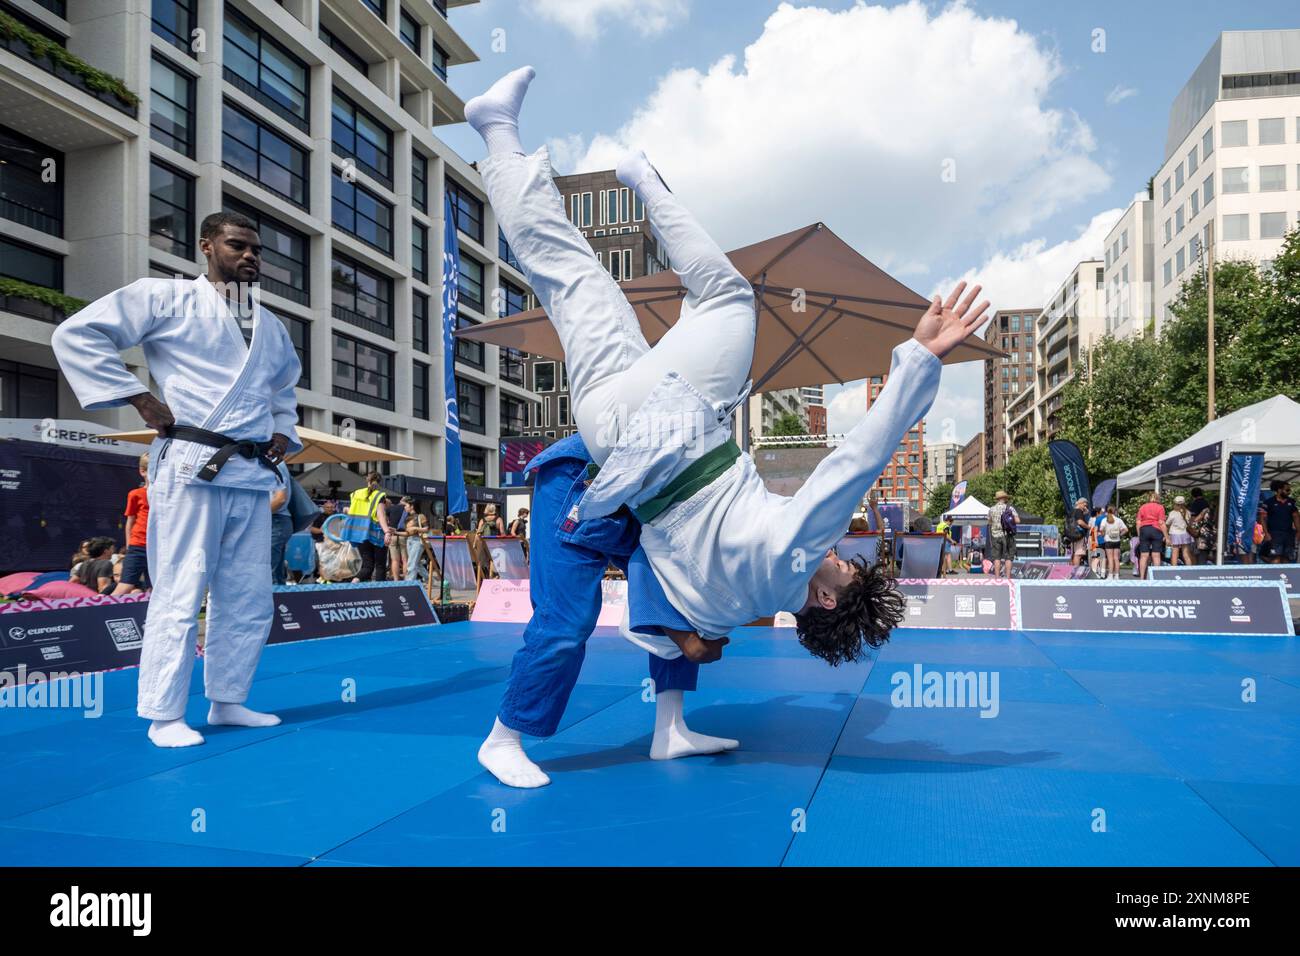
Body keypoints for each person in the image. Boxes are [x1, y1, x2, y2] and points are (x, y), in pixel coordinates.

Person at [465, 67, 989, 664]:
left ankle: (643, 178)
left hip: (666, 432)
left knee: (728, 299)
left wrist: (920, 356)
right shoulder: (725, 611)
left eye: (845, 569)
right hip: (609, 437)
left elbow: (858, 458)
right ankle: (497, 132)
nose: (843, 555)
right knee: (570, 279)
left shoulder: (795, 548)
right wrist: (693, 645)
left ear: (822, 599)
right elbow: (669, 629)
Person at [52, 210, 301, 748]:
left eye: (256, 249)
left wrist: (282, 435)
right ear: (207, 247)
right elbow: (78, 332)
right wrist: (138, 397)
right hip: (191, 461)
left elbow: (283, 394)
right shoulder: (164, 297)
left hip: (251, 472)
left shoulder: (272, 326)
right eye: (237, 245)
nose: (250, 256)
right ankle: (164, 714)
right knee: (180, 589)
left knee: (249, 595)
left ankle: (228, 700)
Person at [478, 434, 731, 788]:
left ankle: (670, 730)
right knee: (567, 620)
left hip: (640, 497)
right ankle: (502, 739)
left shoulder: (720, 410)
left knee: (677, 591)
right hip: (582, 479)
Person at [343, 472, 394, 582]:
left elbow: (351, 510)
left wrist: (346, 510)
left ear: (367, 480)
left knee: (367, 566)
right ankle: (380, 594)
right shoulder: (379, 495)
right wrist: (387, 532)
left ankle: (354, 582)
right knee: (380, 565)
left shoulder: (356, 493)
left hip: (361, 534)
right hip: (377, 533)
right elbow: (380, 515)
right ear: (380, 482)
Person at [114, 452, 152, 594]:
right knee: (125, 585)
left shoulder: (165, 495)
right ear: (143, 471)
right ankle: (103, 613)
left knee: (155, 587)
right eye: (152, 470)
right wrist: (129, 546)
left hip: (158, 548)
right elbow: (130, 521)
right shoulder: (135, 494)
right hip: (138, 546)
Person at [269, 461, 293, 585]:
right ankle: (279, 601)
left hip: (276, 519)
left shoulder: (274, 463)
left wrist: (257, 516)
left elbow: (280, 499)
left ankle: (273, 602)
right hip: (279, 520)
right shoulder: (275, 462)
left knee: (268, 571)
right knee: (276, 572)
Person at [1262, 482, 1298, 564]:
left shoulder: (1291, 502)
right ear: (1279, 490)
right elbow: (1262, 518)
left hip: (1289, 534)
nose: (1289, 492)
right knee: (1275, 557)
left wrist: (1299, 531)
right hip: (1274, 534)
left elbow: (1296, 517)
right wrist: (1266, 533)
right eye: (1287, 490)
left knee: (1287, 558)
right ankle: (1274, 575)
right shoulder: (1268, 502)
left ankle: (1285, 576)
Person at [986, 491, 1017, 579]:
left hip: (995, 536)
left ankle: (997, 578)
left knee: (997, 557)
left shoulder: (991, 509)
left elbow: (989, 521)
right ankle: (1008, 578)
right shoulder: (1010, 508)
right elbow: (1017, 520)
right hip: (1007, 535)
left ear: (997, 499)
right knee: (1008, 557)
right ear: (1004, 498)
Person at [1136, 490, 1167, 579]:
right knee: (1156, 555)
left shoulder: (1142, 507)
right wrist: (1166, 536)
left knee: (1144, 555)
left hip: (1144, 529)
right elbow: (1161, 522)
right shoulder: (1160, 507)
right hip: (1156, 530)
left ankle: (1142, 578)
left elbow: (1138, 522)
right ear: (1157, 498)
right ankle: (1156, 577)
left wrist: (1139, 535)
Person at [401, 497, 430, 581]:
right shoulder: (407, 518)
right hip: (409, 541)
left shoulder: (420, 516)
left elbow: (427, 529)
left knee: (411, 563)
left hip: (417, 541)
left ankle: (409, 583)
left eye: (406, 505)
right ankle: (429, 579)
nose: (404, 507)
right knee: (416, 563)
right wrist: (395, 532)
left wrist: (415, 528)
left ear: (412, 506)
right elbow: (407, 533)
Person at [1099, 505, 1128, 579]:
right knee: (1116, 559)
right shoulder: (1119, 520)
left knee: (1110, 559)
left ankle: (1110, 575)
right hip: (1117, 541)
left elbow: (1101, 530)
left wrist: (1103, 535)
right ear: (1114, 511)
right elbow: (1126, 530)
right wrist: (1120, 535)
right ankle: (1117, 575)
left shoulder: (1104, 520)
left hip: (1108, 541)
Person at [1166, 495, 1194, 567]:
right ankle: (1190, 570)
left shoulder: (1173, 513)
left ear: (1175, 503)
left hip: (1175, 534)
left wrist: (1166, 535)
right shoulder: (1188, 512)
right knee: (1186, 554)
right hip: (1185, 534)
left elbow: (1167, 524)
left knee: (1175, 554)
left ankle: (1174, 571)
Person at [1068, 497, 1090, 567]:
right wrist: (1089, 527)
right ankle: (1076, 573)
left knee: (1073, 554)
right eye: (1084, 505)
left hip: (1072, 535)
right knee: (1078, 555)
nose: (1085, 507)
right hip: (1079, 535)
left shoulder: (1072, 511)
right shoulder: (1079, 511)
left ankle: (1071, 572)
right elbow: (1080, 522)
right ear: (1080, 503)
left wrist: (1086, 512)